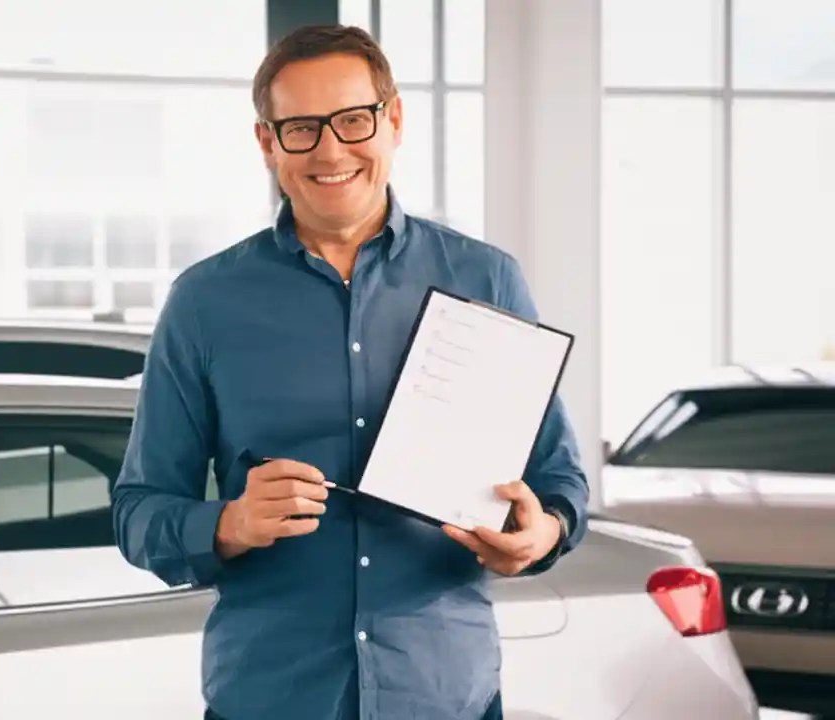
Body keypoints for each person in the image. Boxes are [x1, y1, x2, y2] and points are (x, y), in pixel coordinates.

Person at [110, 24, 589, 720]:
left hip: (443, 695)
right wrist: (230, 523)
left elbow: (559, 479)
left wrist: (538, 536)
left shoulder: (487, 279)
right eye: (301, 128)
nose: (330, 150)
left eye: (353, 120)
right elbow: (138, 511)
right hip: (271, 697)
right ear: (267, 143)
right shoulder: (205, 302)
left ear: (393, 120)